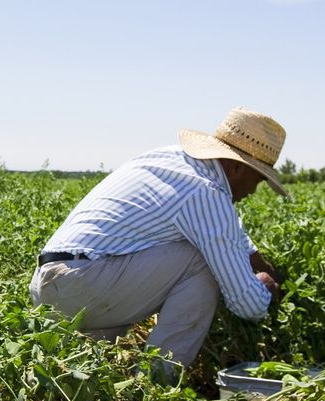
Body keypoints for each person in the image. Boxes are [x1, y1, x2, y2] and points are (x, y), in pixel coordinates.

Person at [29, 107, 285, 373]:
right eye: (258, 179)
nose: (254, 191)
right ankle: (155, 382)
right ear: (235, 168)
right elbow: (247, 305)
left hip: (56, 283)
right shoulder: (206, 192)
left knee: (184, 252)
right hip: (82, 286)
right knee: (202, 259)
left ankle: (97, 371)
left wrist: (262, 264)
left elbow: (229, 233)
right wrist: (264, 287)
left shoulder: (175, 162)